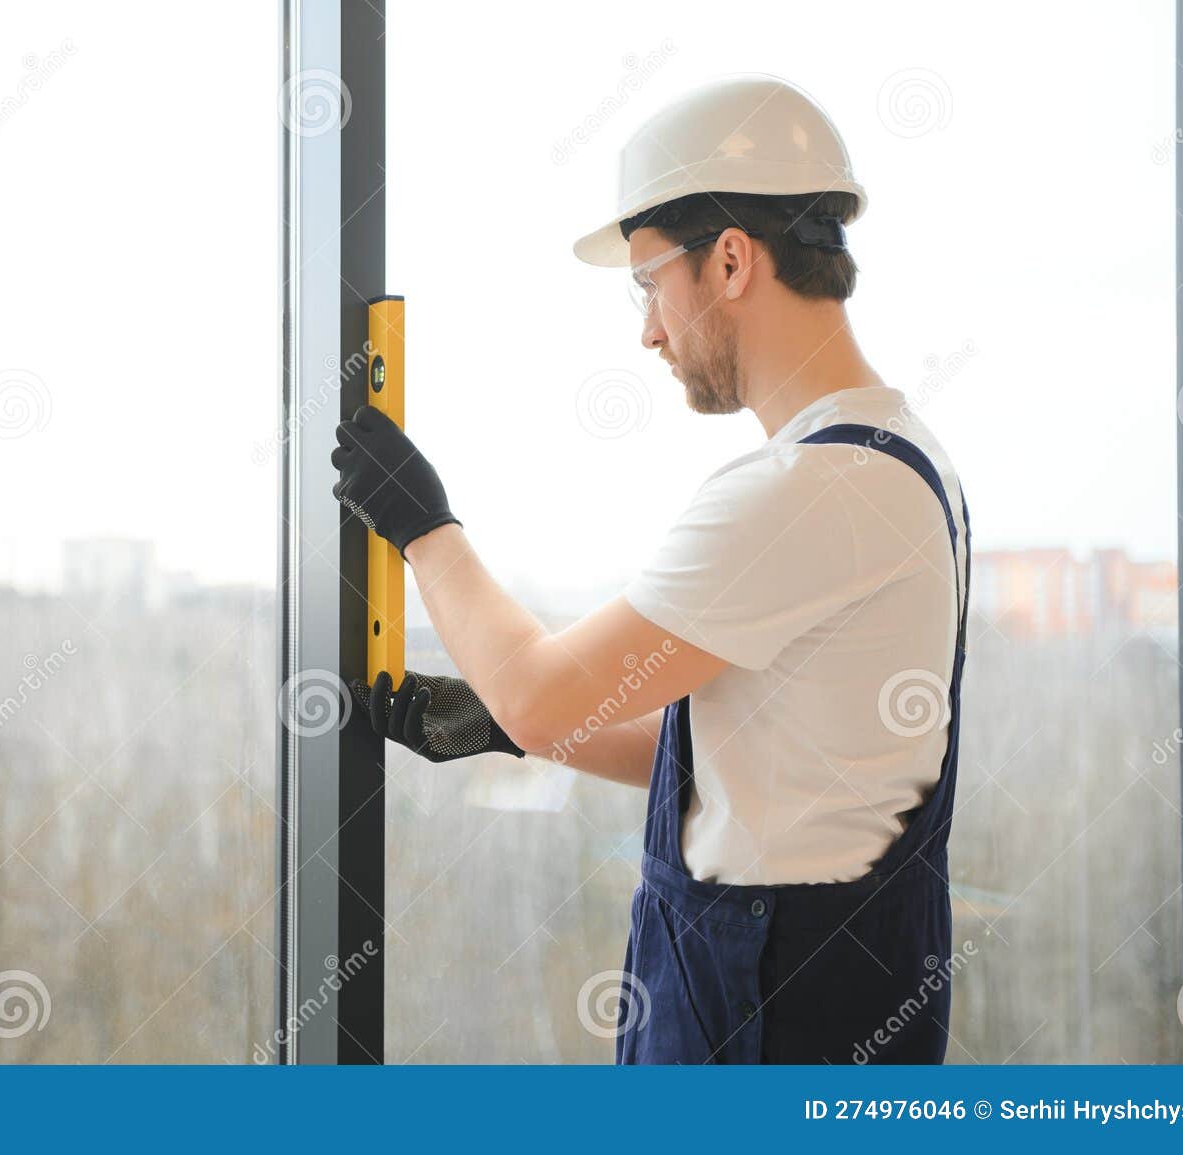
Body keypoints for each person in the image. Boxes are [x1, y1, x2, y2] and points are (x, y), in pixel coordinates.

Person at [331, 75, 969, 1065]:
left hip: (769, 1015)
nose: (646, 330)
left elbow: (547, 694)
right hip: (803, 994)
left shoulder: (806, 488)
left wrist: (423, 528)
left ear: (726, 262)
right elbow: (736, 759)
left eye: (647, 284)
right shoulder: (892, 454)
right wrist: (499, 724)